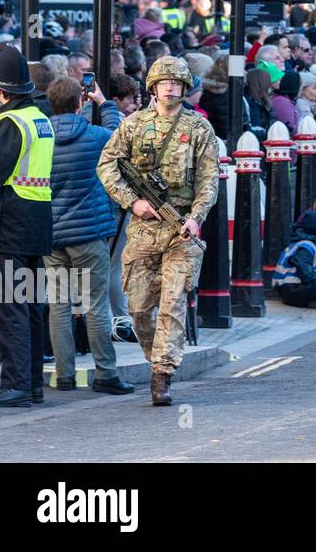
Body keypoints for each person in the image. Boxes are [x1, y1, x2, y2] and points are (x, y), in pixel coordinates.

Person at [96, 56, 219, 406]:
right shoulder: (134, 125)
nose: (169, 87)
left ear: (183, 88)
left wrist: (197, 216)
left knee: (172, 303)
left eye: (176, 83)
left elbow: (209, 179)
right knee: (137, 309)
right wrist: (131, 202)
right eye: (164, 82)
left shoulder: (198, 128)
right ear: (152, 86)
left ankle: (161, 375)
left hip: (181, 229)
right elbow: (107, 166)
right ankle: (156, 358)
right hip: (144, 230)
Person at [44, 77, 134, 396]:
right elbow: (120, 134)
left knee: (59, 305)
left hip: (52, 234)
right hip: (89, 233)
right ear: (79, 102)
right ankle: (105, 374)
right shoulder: (95, 136)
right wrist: (104, 102)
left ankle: (64, 375)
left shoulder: (42, 135)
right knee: (96, 305)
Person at [0, 46, 55, 407]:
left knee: (8, 305)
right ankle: (30, 384)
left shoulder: (8, 124)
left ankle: (14, 386)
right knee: (28, 306)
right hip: (35, 222)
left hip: (6, 226)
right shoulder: (38, 118)